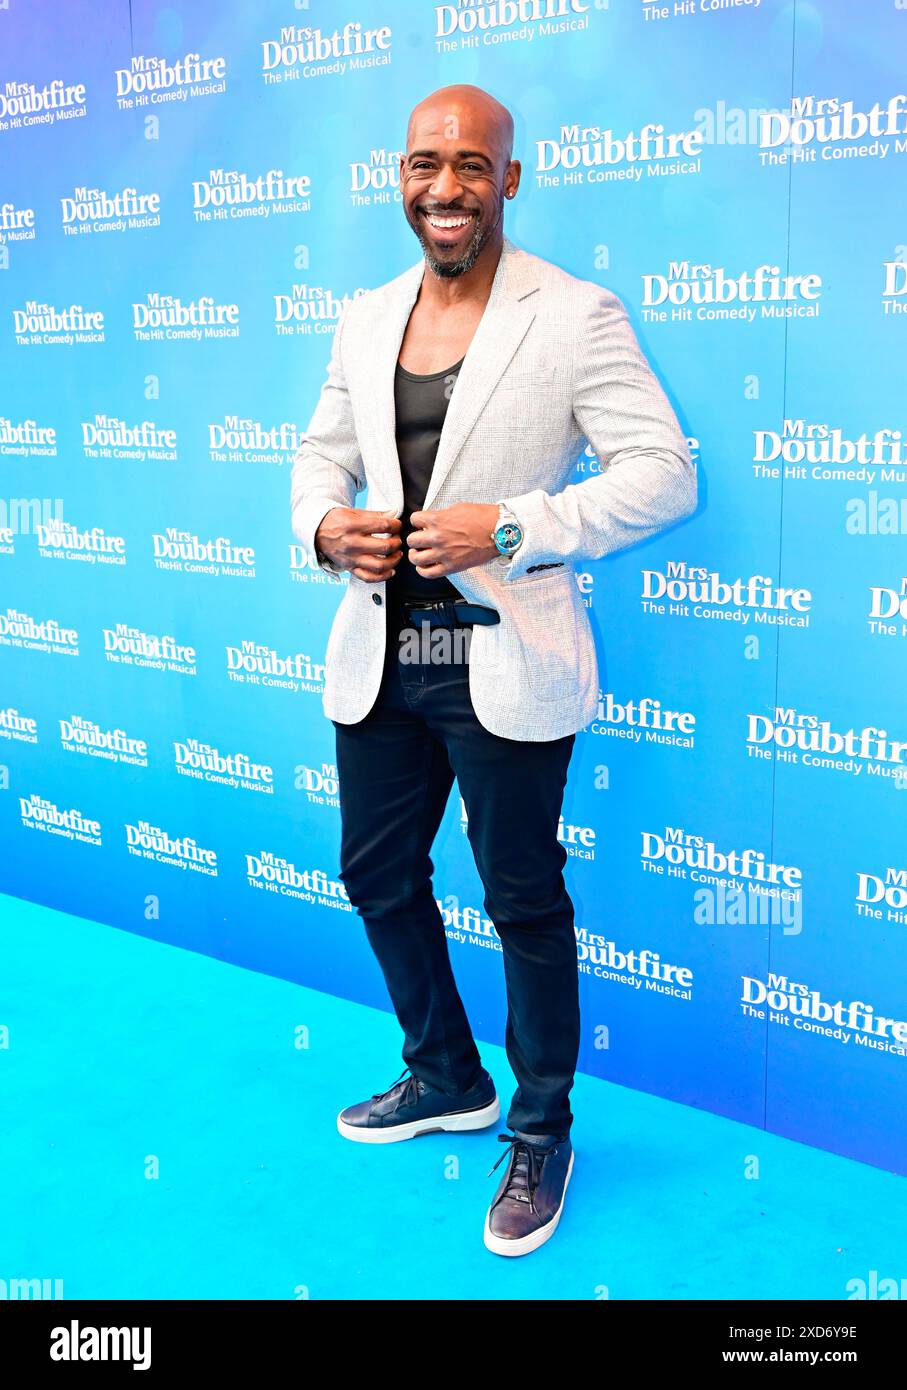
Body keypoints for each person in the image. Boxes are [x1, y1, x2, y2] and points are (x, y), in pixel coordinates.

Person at [291, 83, 697, 1257]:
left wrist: (510, 527)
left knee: (519, 897)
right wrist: (327, 528)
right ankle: (444, 1076)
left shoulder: (573, 314)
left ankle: (539, 1129)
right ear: (398, 176)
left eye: (473, 165)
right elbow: (319, 458)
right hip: (381, 648)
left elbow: (661, 472)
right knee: (375, 872)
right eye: (427, 163)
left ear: (507, 180)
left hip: (504, 653)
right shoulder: (365, 316)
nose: (447, 186)